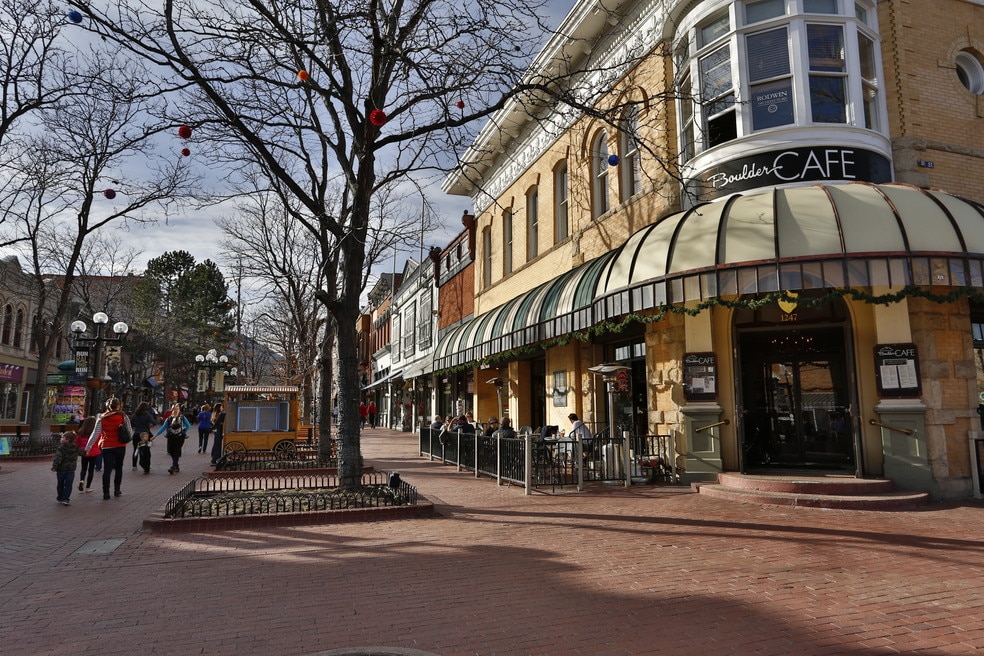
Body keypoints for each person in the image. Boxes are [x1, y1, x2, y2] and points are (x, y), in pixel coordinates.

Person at [85, 397, 134, 500]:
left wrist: (87, 448)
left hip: (107, 446)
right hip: (120, 445)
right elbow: (129, 431)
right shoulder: (123, 417)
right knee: (119, 467)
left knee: (107, 470)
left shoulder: (102, 418)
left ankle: (106, 492)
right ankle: (117, 490)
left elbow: (95, 433)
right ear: (118, 406)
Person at [52, 431, 85, 505]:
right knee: (68, 485)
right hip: (71, 469)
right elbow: (82, 453)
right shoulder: (75, 447)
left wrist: (54, 467)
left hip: (61, 470)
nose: (61, 439)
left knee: (60, 484)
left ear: (68, 439)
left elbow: (58, 458)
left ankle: (60, 497)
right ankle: (66, 498)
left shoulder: (61, 448)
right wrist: (86, 451)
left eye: (63, 437)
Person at [129, 401, 155, 470]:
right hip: (145, 435)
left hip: (136, 434)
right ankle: (146, 464)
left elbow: (131, 424)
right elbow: (154, 422)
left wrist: (136, 426)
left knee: (135, 450)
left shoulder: (135, 415)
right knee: (146, 451)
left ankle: (134, 466)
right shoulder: (147, 415)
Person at [76, 416, 98, 493]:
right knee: (91, 470)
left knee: (83, 468)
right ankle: (88, 487)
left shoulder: (81, 432)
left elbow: (77, 443)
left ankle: (81, 481)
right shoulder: (95, 433)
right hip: (93, 452)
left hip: (84, 452)